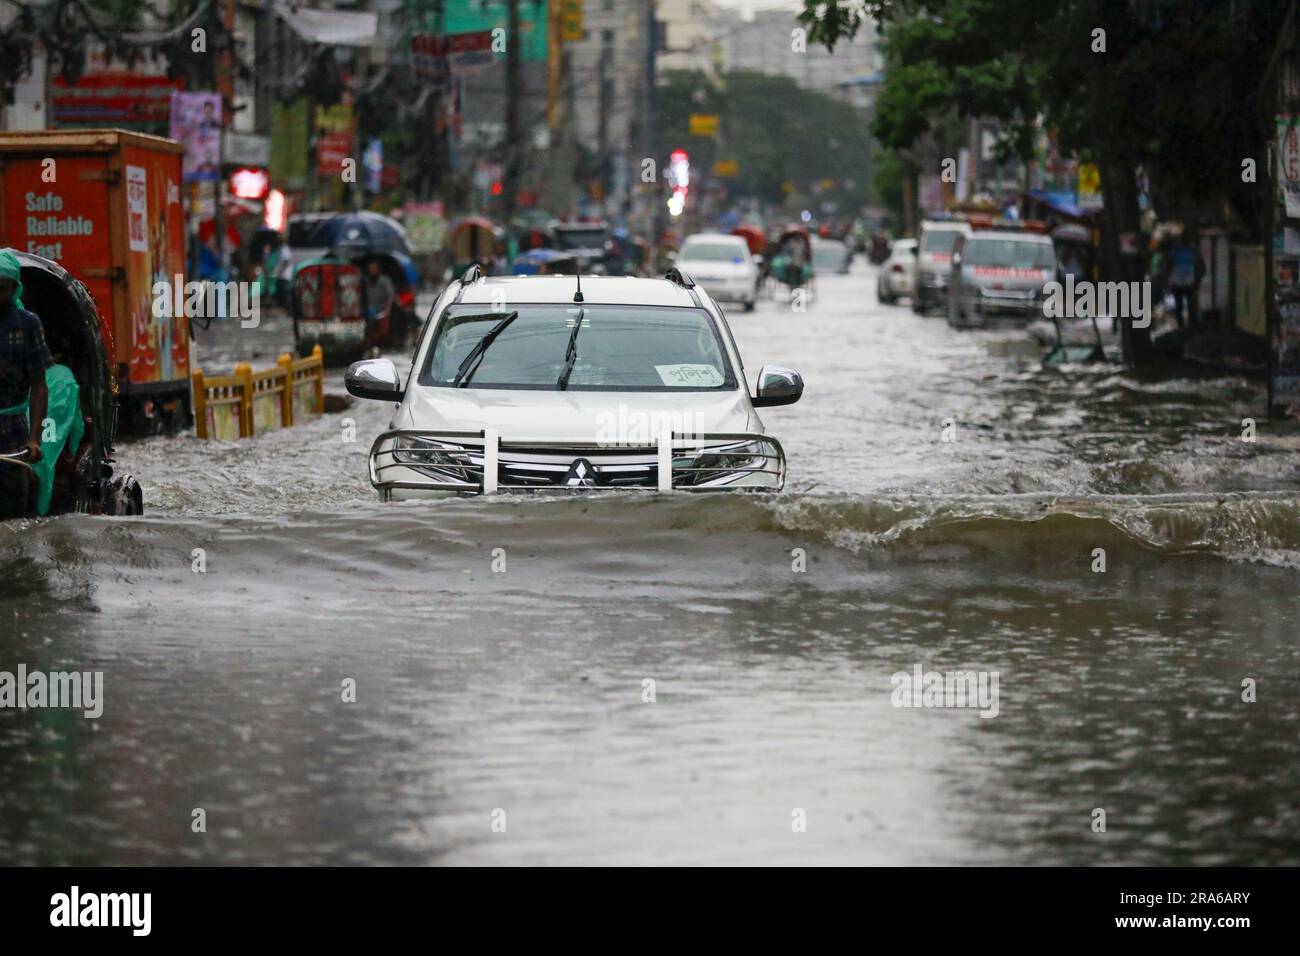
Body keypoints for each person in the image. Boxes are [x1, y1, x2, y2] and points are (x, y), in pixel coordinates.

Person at [0, 249, 52, 520]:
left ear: (14, 289)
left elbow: (39, 385)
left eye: (3, 288)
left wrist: (34, 438)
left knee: (13, 519)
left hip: (13, 435)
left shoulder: (27, 325)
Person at [1164, 231, 1205, 329]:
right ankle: (1187, 327)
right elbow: (1167, 266)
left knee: (1184, 307)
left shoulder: (1185, 250)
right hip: (1182, 283)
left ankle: (1186, 327)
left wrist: (1198, 279)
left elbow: (1167, 266)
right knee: (1185, 307)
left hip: (1184, 283)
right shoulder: (1188, 250)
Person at [365, 259, 395, 347]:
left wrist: (387, 311)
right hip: (369, 311)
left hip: (381, 310)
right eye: (370, 269)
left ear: (378, 269)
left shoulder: (384, 281)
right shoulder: (367, 282)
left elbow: (390, 296)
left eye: (374, 269)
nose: (372, 271)